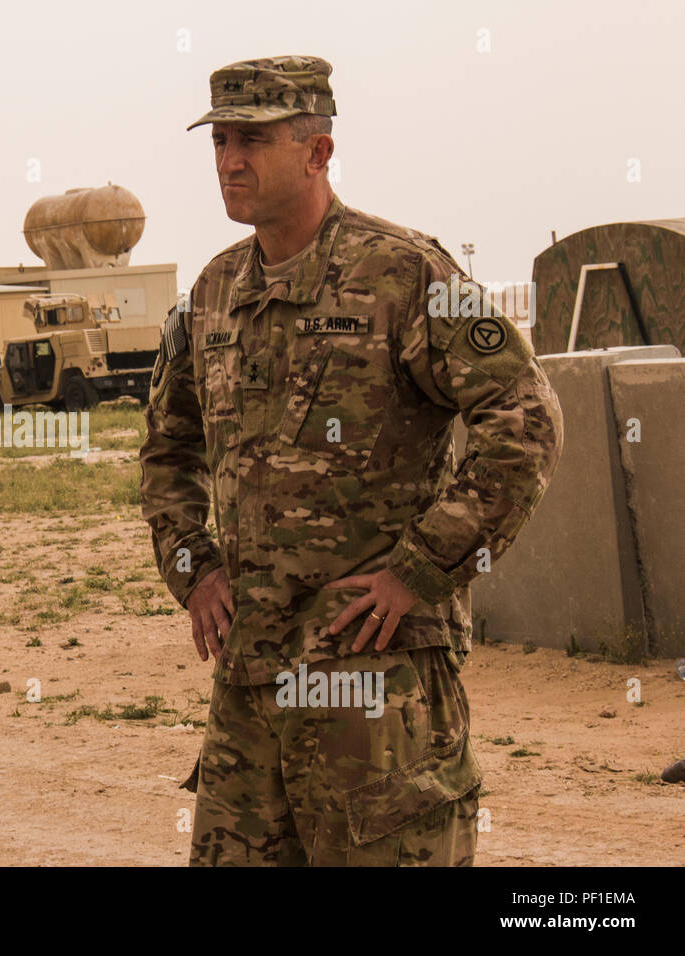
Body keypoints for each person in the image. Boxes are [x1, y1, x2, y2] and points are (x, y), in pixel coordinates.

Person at [139, 58, 564, 865]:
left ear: (317, 151)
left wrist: (423, 568)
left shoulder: (403, 274)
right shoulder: (214, 292)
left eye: (252, 140)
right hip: (252, 684)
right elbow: (167, 445)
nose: (229, 160)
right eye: (221, 140)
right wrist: (193, 567)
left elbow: (526, 420)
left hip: (378, 678)